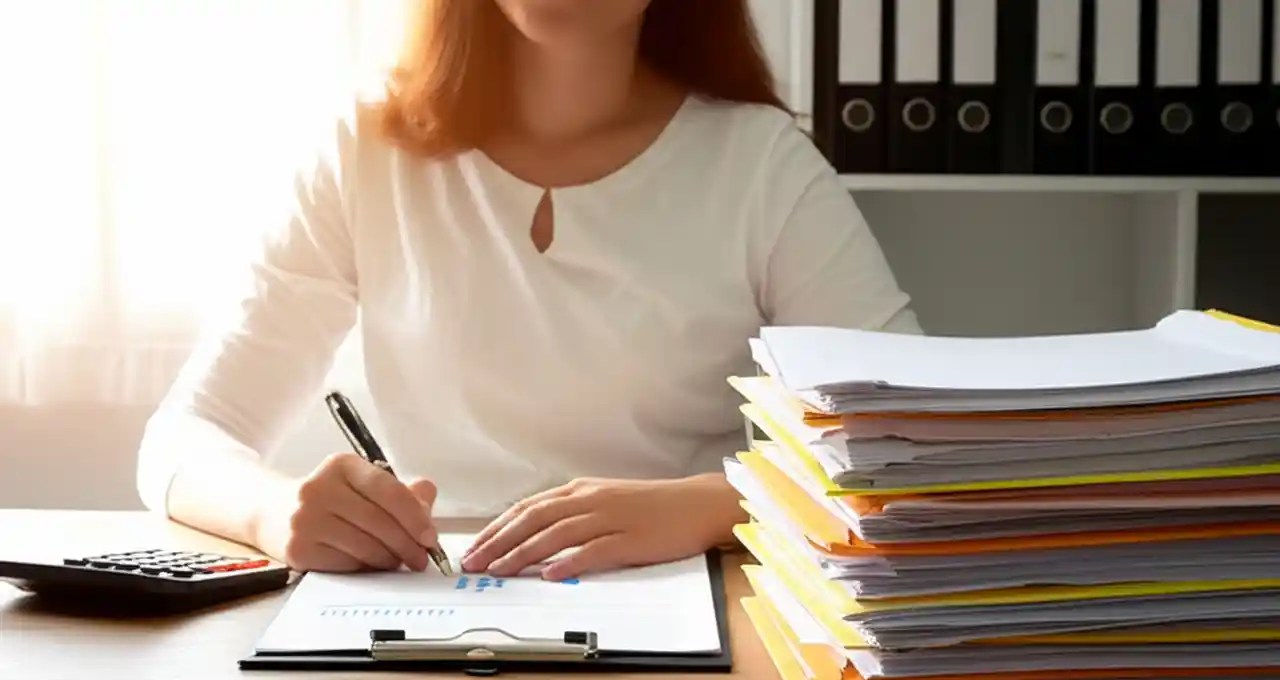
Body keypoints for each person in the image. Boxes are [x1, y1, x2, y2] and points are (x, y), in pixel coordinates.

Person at [137, 0, 920, 581]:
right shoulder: (367, 149)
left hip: (692, 625)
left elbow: (911, 442)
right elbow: (183, 439)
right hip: (435, 620)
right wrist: (275, 512)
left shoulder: (759, 166)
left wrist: (715, 506)